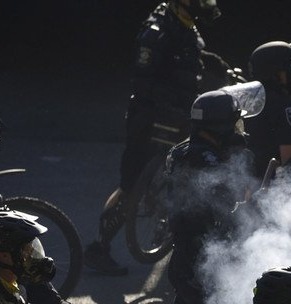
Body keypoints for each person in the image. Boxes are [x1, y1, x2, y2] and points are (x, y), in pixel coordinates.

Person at [84, 0, 223, 276]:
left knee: (183, 172)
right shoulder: (157, 30)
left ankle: (173, 235)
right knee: (132, 183)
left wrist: (215, 64)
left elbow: (185, 55)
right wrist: (167, 106)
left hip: (179, 116)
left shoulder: (184, 24)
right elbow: (144, 79)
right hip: (148, 119)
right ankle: (98, 249)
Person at [162, 84, 262, 304]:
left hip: (193, 262)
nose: (238, 130)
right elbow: (224, 210)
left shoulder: (189, 151)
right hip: (198, 266)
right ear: (218, 128)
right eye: (233, 124)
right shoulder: (201, 161)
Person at [244, 32, 291, 180]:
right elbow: (290, 165)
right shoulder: (288, 108)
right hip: (269, 191)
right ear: (278, 74)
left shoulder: (251, 102)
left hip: (249, 185)